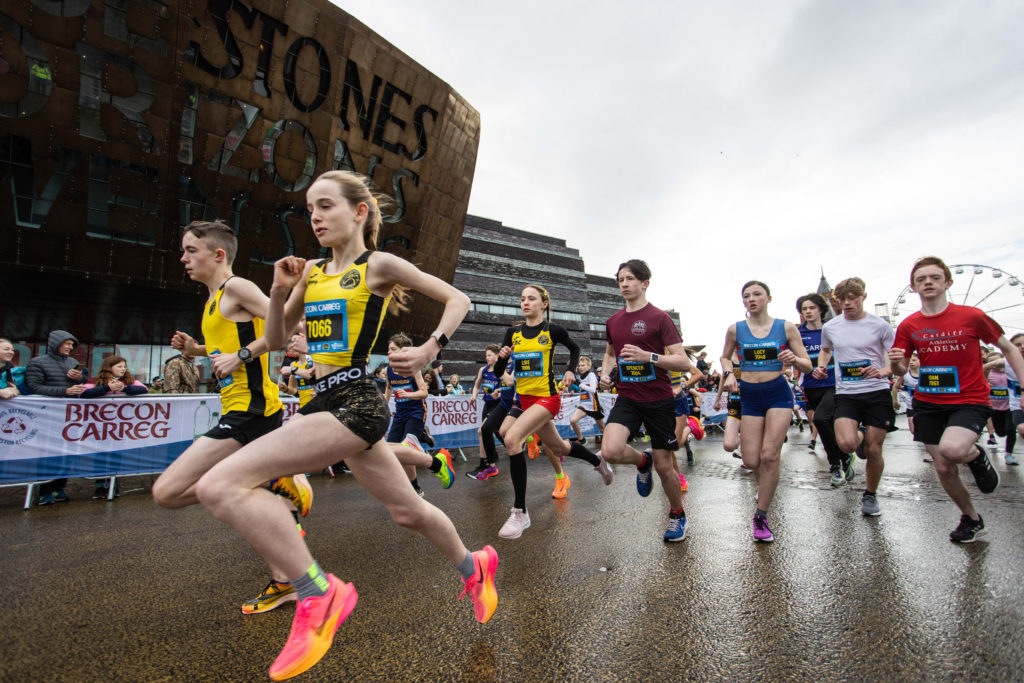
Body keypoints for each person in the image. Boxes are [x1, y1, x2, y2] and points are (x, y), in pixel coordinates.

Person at [190, 171, 497, 680]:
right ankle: (475, 565)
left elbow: (458, 299)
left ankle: (317, 592)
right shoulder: (309, 271)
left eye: (326, 205)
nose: (314, 216)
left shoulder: (378, 264)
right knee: (408, 512)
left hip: (356, 399)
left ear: (359, 212)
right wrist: (280, 287)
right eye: (310, 207)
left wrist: (429, 347)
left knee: (219, 484)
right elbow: (277, 336)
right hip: (320, 399)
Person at [151, 219, 309, 617]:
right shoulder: (211, 301)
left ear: (218, 254)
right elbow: (232, 343)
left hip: (251, 410)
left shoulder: (235, 287)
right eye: (183, 251)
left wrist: (242, 355)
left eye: (190, 250)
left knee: (168, 492)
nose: (183, 257)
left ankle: (277, 483)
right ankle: (287, 579)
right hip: (241, 408)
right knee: (238, 498)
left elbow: (287, 327)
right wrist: (198, 350)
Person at [890, 256, 1024, 543]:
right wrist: (897, 364)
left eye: (935, 277)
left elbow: (1009, 350)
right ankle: (971, 517)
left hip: (969, 399)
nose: (928, 282)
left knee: (952, 450)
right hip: (928, 400)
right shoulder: (909, 325)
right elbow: (900, 369)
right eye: (921, 279)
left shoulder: (972, 317)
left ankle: (976, 456)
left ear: (947, 282)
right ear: (914, 287)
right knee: (943, 466)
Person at [491, 283, 612, 539]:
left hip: (547, 398)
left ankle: (520, 512)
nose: (525, 302)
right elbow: (498, 372)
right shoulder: (512, 333)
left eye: (531, 298)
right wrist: (502, 358)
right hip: (523, 399)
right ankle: (597, 461)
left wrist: (570, 369)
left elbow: (576, 348)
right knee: (558, 447)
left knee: (512, 438)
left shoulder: (552, 330)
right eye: (522, 298)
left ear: (543, 304)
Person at [598, 260, 692, 542]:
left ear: (645, 283)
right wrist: (604, 374)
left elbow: (683, 362)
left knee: (666, 468)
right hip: (628, 397)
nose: (624, 284)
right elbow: (610, 354)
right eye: (620, 280)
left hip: (658, 400)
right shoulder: (613, 321)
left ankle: (677, 514)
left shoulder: (659, 318)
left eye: (629, 279)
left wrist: (648, 356)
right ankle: (642, 462)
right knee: (611, 451)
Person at [720, 281, 812, 543]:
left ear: (768, 298)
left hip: (777, 394)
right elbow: (725, 357)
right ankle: (765, 488)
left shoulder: (786, 327)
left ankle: (761, 516)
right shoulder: (735, 330)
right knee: (751, 460)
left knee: (770, 455)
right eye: (746, 296)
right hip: (749, 396)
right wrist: (728, 373)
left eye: (757, 294)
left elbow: (806, 364)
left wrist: (794, 360)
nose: (752, 299)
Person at [815, 278, 895, 516]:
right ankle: (859, 435)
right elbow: (826, 349)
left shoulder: (879, 325)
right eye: (842, 299)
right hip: (847, 393)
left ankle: (870, 495)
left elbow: (895, 356)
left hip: (877, 391)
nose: (847, 303)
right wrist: (821, 366)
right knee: (847, 444)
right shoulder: (831, 327)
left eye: (853, 298)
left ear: (864, 297)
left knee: (873, 450)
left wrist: (884, 371)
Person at [25, 330, 87, 504]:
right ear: (56, 343)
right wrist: (64, 391)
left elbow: (81, 382)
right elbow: (34, 387)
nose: (70, 347)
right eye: (67, 344)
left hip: (68, 415)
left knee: (65, 452)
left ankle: (59, 487)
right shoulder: (37, 362)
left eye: (71, 345)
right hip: (46, 416)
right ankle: (44, 490)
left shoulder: (73, 362)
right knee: (47, 452)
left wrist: (79, 378)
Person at [80, 354, 149, 498]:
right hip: (100, 425)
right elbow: (84, 393)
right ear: (109, 367)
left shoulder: (129, 381)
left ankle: (114, 483)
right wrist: (106, 388)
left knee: (116, 454)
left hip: (120, 426)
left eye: (124, 366)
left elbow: (143, 389)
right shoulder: (96, 381)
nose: (123, 369)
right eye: (119, 366)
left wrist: (124, 388)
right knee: (100, 455)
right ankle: (100, 485)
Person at [468, 344, 506, 479]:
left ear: (497, 356)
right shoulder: (483, 370)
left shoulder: (502, 371)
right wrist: (473, 395)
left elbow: (508, 390)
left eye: (489, 355)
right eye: (486, 355)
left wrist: (499, 394)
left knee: (482, 431)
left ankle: (485, 464)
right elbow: (477, 385)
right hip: (488, 404)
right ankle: (487, 461)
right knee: (493, 432)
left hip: (498, 404)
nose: (487, 358)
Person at [569, 355, 605, 445]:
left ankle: (613, 441)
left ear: (589, 366)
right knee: (573, 420)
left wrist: (581, 385)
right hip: (584, 405)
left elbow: (593, 390)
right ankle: (582, 440)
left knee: (602, 429)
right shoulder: (581, 377)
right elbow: (582, 389)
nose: (580, 367)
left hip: (594, 406)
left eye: (583, 365)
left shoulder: (591, 375)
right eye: (580, 365)